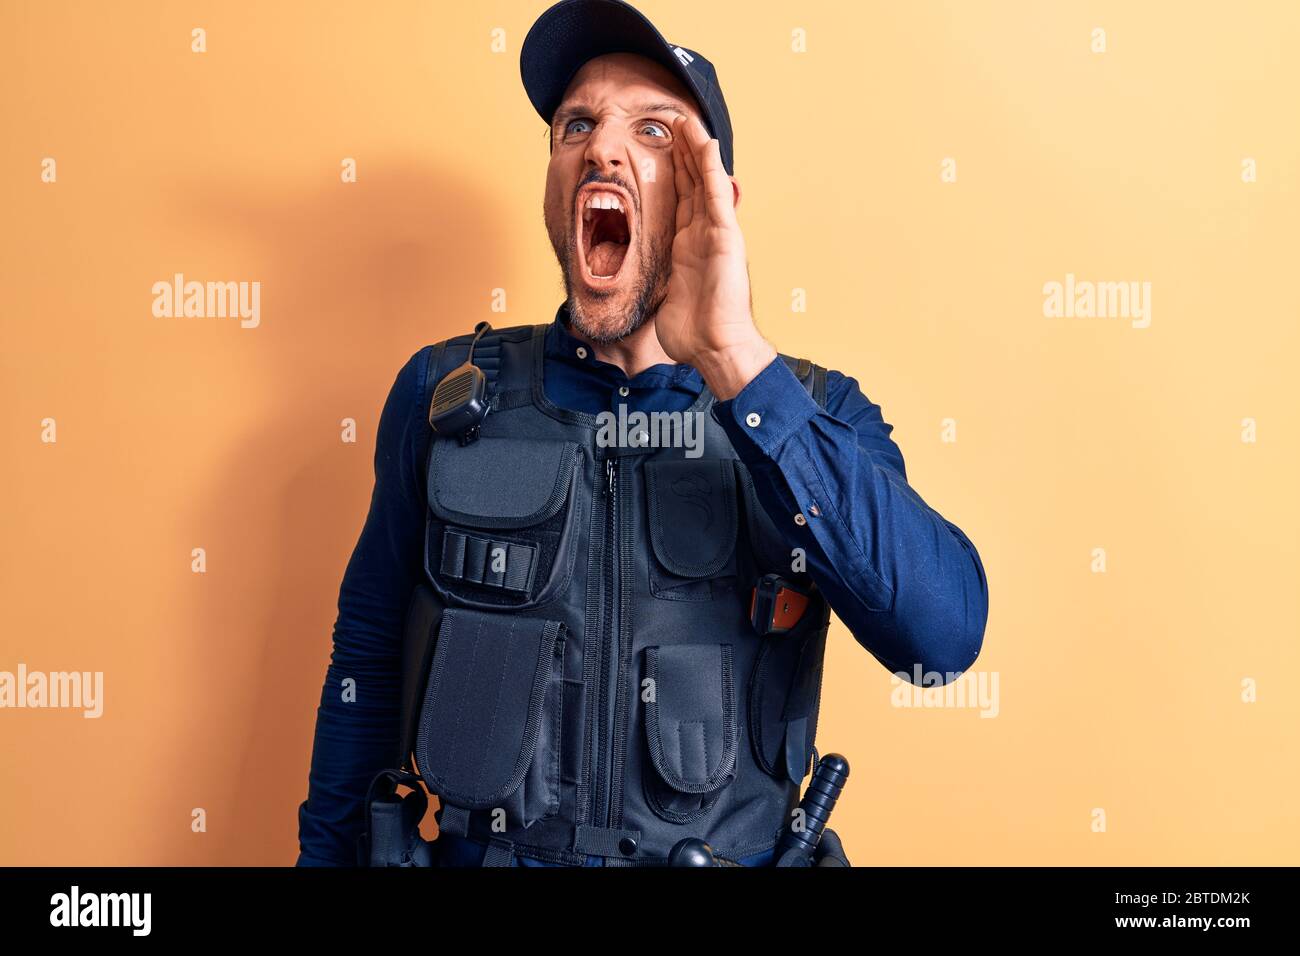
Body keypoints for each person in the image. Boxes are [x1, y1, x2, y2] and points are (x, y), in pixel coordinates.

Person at [296, 0, 988, 867]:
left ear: (717, 202)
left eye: (655, 131)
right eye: (575, 124)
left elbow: (943, 640)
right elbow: (365, 652)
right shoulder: (443, 395)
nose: (601, 147)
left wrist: (741, 367)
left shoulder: (815, 413)